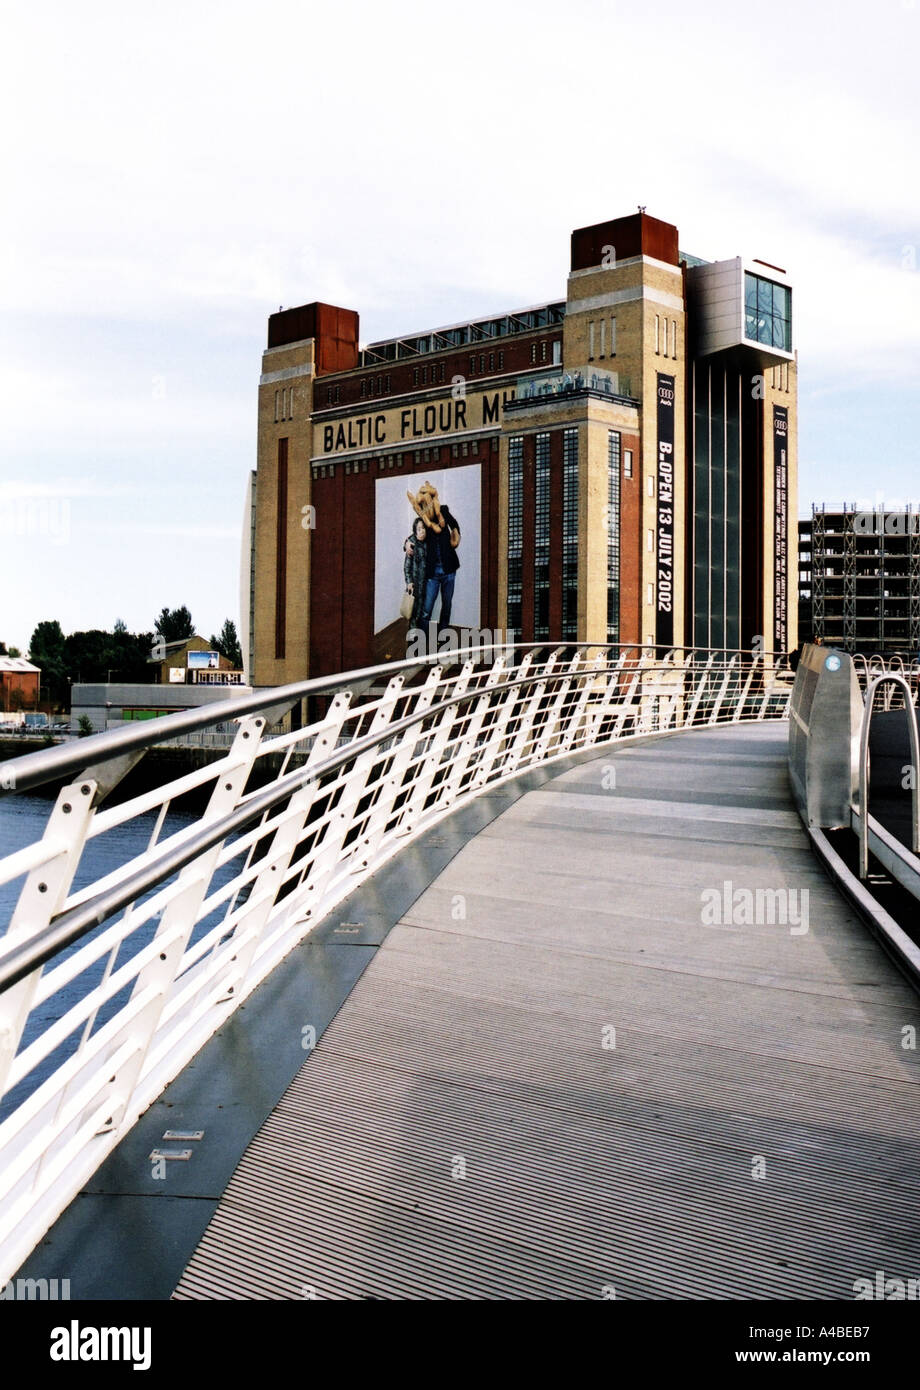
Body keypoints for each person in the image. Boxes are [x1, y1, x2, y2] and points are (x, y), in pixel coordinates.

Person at [419, 503, 461, 634]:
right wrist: (407, 544)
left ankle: (443, 633)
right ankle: (422, 636)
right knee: (427, 607)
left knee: (447, 604)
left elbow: (455, 525)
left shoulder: (442, 510)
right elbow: (416, 533)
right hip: (433, 573)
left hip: (449, 570)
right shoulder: (423, 516)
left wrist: (455, 535)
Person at [403, 517, 428, 628]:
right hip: (414, 585)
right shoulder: (411, 544)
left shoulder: (428, 543)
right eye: (418, 529)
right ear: (415, 531)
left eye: (423, 528)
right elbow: (407, 566)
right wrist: (409, 582)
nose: (422, 531)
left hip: (426, 584)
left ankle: (420, 637)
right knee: (413, 613)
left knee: (422, 612)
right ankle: (412, 640)